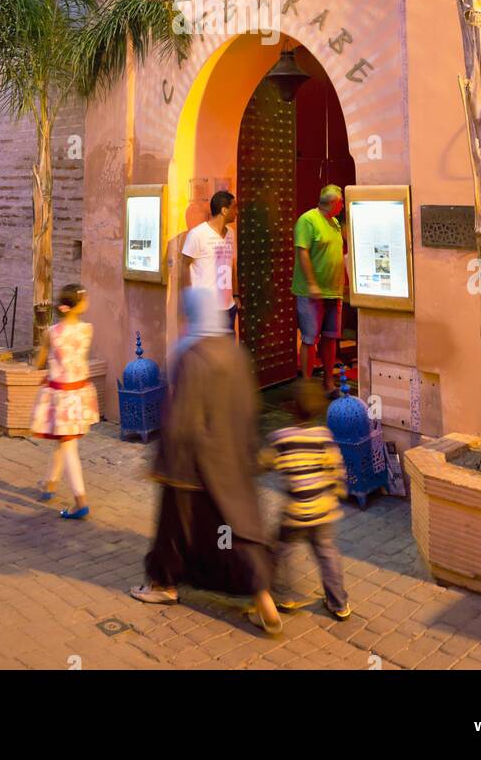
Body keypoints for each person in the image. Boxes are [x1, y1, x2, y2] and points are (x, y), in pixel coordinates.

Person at [130, 285, 281, 635]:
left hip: (192, 467)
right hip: (231, 464)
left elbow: (181, 418)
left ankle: (163, 585)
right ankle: (262, 598)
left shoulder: (191, 356)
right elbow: (248, 410)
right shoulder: (236, 354)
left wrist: (164, 460)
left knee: (173, 528)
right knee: (232, 531)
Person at [264, 378, 351, 620]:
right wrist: (338, 491)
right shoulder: (324, 436)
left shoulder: (281, 438)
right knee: (327, 554)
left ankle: (284, 597)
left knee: (280, 551)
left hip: (296, 512)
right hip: (324, 509)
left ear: (292, 408)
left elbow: (267, 462)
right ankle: (338, 603)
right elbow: (336, 467)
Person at [29, 284, 99, 519]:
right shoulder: (87, 329)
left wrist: (44, 353)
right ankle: (49, 484)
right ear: (77, 305)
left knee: (67, 445)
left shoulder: (52, 332)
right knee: (64, 441)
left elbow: (39, 362)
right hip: (79, 394)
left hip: (60, 397)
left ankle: (80, 500)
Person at [292, 184, 347, 394]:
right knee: (309, 339)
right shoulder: (308, 220)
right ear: (333, 203)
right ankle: (306, 387)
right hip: (311, 293)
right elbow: (303, 253)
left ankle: (328, 382)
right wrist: (312, 283)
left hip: (334, 291)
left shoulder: (333, 222)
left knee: (331, 337)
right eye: (341, 202)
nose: (342, 207)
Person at [180, 190, 241, 333]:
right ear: (224, 210)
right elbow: (184, 267)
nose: (237, 212)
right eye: (234, 207)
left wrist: (236, 296)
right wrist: (190, 303)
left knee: (227, 353)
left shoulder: (230, 234)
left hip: (228, 308)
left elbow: (231, 266)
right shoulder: (197, 235)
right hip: (207, 310)